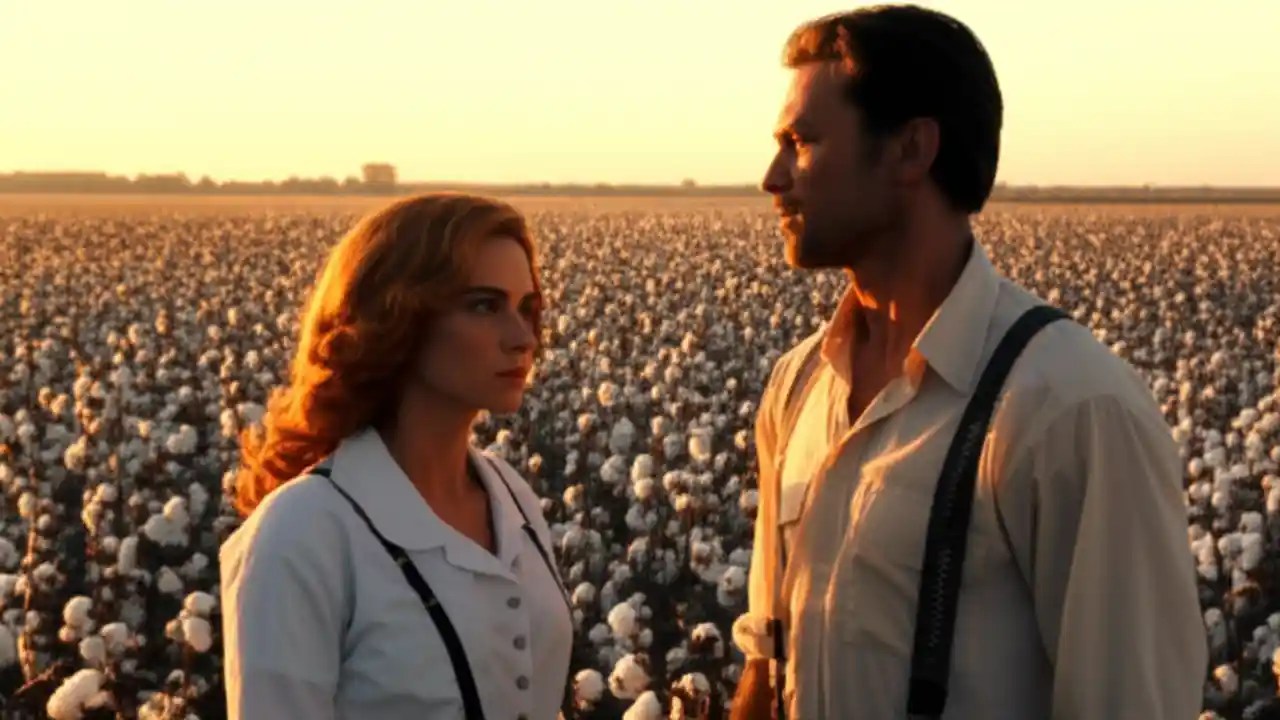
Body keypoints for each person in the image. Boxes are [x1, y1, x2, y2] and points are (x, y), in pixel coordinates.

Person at [730, 6, 1207, 719]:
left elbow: (1130, 701)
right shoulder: (798, 388)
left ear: (911, 150)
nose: (772, 177)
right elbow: (768, 670)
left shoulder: (1068, 406)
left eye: (802, 142)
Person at [220, 192, 572, 720]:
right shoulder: (302, 533)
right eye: (484, 305)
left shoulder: (510, 495)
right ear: (399, 316)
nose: (523, 338)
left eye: (529, 308)